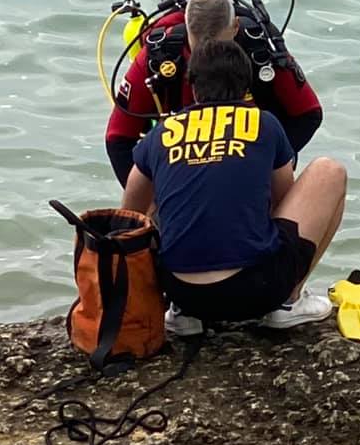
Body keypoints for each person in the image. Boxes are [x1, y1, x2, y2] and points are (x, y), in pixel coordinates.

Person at [121, 39, 347, 334]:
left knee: (159, 198)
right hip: (257, 290)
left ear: (194, 87)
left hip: (181, 291)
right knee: (329, 170)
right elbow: (282, 202)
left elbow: (129, 215)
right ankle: (289, 302)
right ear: (246, 86)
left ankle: (180, 315)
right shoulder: (264, 123)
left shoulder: (164, 131)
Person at [106, 0, 322, 187]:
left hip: (251, 161)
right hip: (178, 168)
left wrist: (267, 161)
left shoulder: (258, 50)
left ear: (236, 27)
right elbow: (118, 138)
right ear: (186, 26)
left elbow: (308, 114)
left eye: (217, 47)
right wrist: (150, 205)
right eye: (200, 46)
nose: (207, 58)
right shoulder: (161, 55)